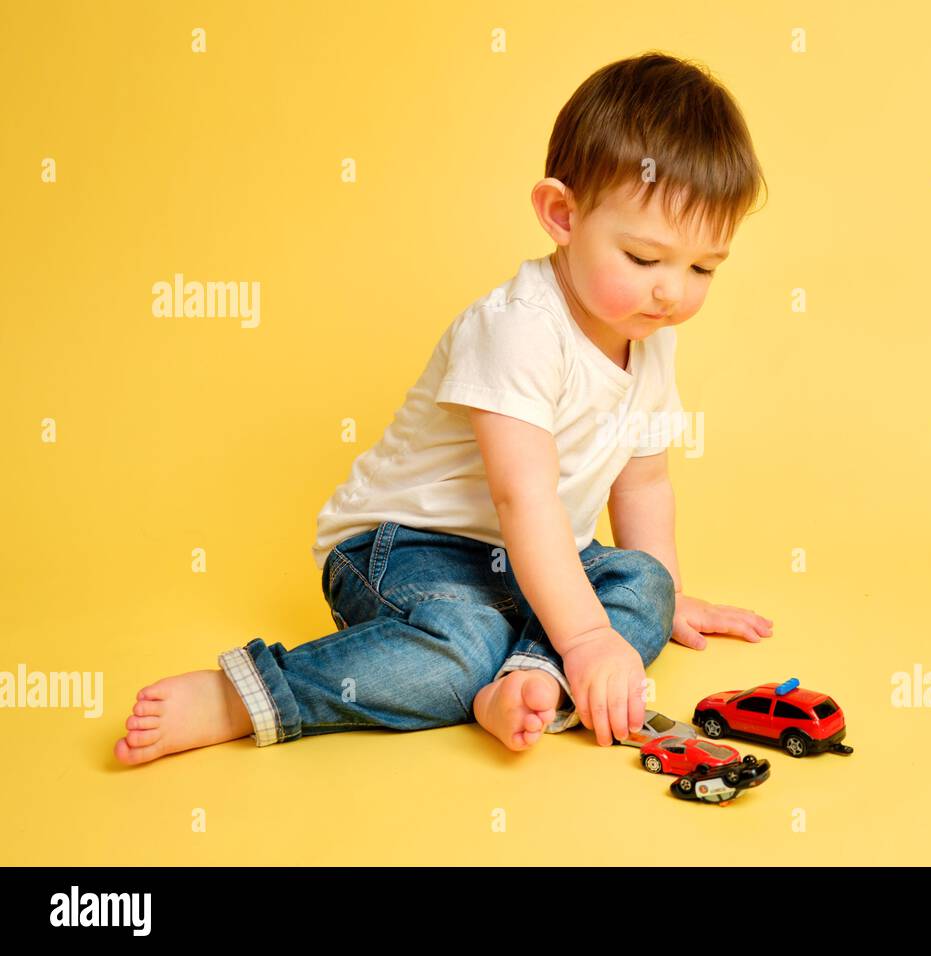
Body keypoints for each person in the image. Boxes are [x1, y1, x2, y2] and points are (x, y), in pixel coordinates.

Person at [114, 50, 773, 765]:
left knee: (642, 582)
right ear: (562, 215)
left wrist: (666, 596)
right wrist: (587, 638)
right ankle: (249, 697)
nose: (672, 292)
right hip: (405, 550)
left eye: (703, 267)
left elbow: (642, 484)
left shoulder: (650, 340)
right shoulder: (520, 328)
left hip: (534, 562)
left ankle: (525, 681)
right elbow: (522, 498)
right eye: (645, 259)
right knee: (464, 646)